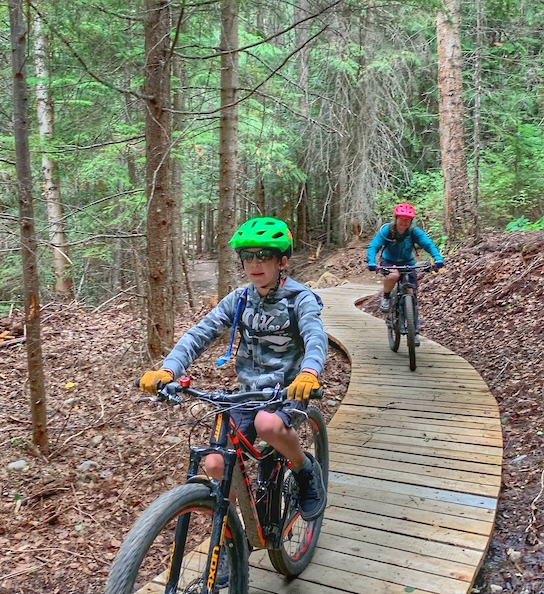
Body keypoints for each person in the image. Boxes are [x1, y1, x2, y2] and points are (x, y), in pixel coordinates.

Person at [139, 216, 328, 521]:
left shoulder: (299, 299)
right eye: (247, 256)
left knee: (268, 425)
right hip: (248, 394)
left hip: (289, 389)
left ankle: (304, 469)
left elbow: (315, 335)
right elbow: (200, 333)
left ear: (282, 262)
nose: (255, 263)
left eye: (264, 255)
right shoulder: (239, 299)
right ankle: (233, 533)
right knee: (215, 463)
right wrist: (169, 370)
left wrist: (309, 372)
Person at [367, 203, 444, 344]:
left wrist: (437, 258)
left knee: (410, 291)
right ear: (396, 219)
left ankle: (414, 331)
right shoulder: (387, 230)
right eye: (401, 219)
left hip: (408, 261)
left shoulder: (414, 232)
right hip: (389, 261)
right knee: (393, 275)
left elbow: (428, 244)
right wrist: (371, 261)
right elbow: (374, 246)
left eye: (407, 220)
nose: (404, 222)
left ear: (411, 221)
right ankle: (386, 297)